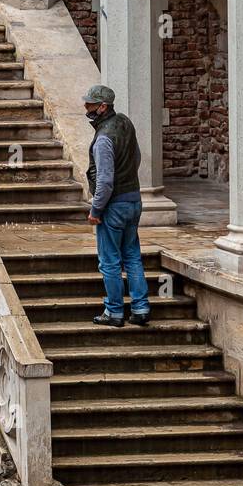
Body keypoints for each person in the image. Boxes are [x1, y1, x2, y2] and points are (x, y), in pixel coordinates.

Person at [84, 83, 151, 328]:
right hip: (133, 201)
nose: (86, 108)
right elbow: (137, 157)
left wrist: (96, 210)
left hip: (113, 206)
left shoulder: (103, 138)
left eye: (90, 104)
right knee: (132, 256)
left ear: (103, 107)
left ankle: (114, 312)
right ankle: (140, 308)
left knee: (109, 261)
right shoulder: (125, 122)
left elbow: (104, 181)